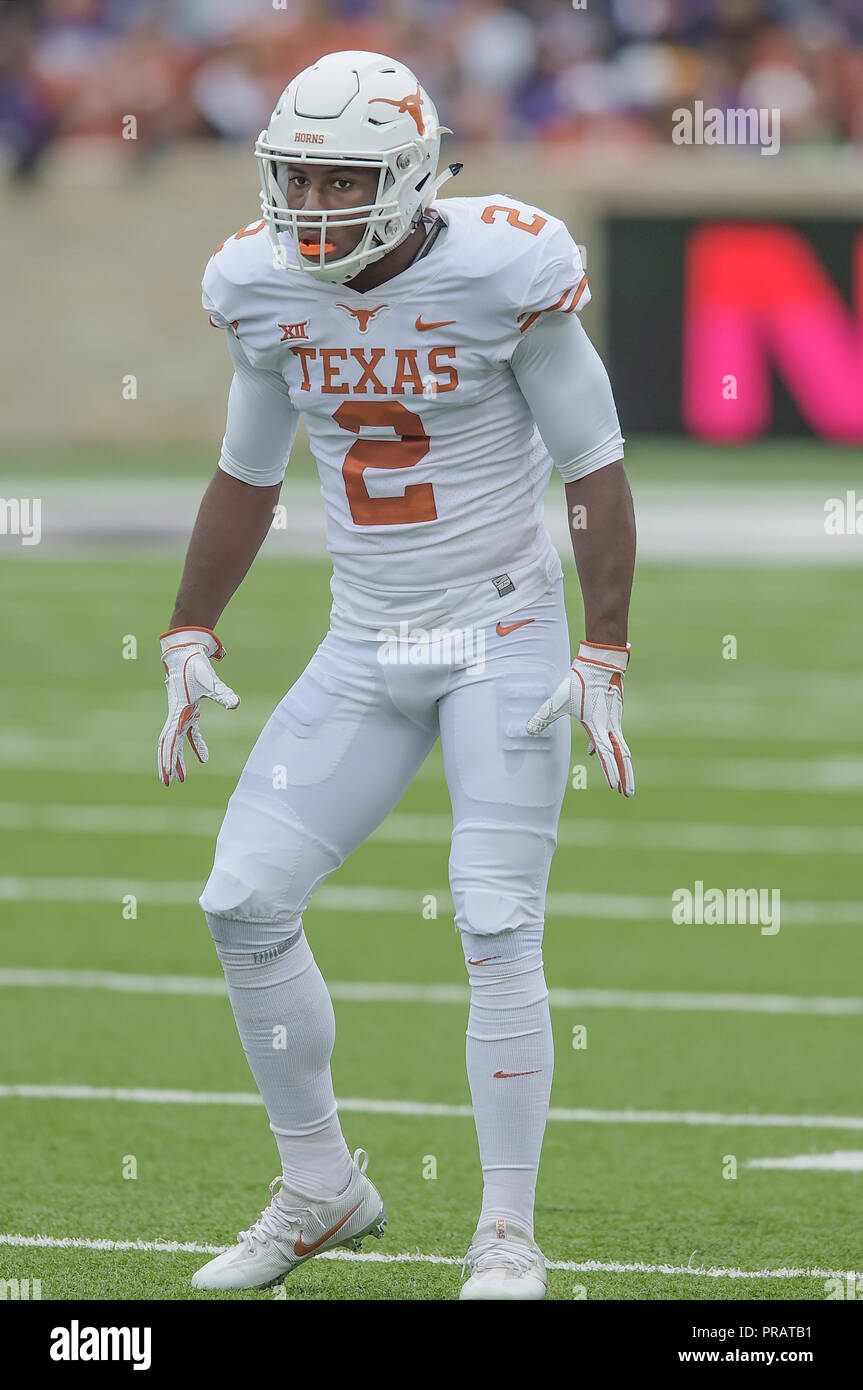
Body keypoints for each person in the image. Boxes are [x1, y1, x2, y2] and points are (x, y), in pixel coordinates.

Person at [157, 49, 635, 1301]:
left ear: (414, 175)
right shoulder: (256, 285)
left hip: (499, 631)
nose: (310, 207)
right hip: (366, 635)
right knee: (240, 898)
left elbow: (592, 463)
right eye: (295, 178)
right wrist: (189, 626)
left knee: (491, 920)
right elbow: (246, 472)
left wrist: (603, 644)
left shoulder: (502, 266)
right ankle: (321, 1187)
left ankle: (507, 1235)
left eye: (341, 180)